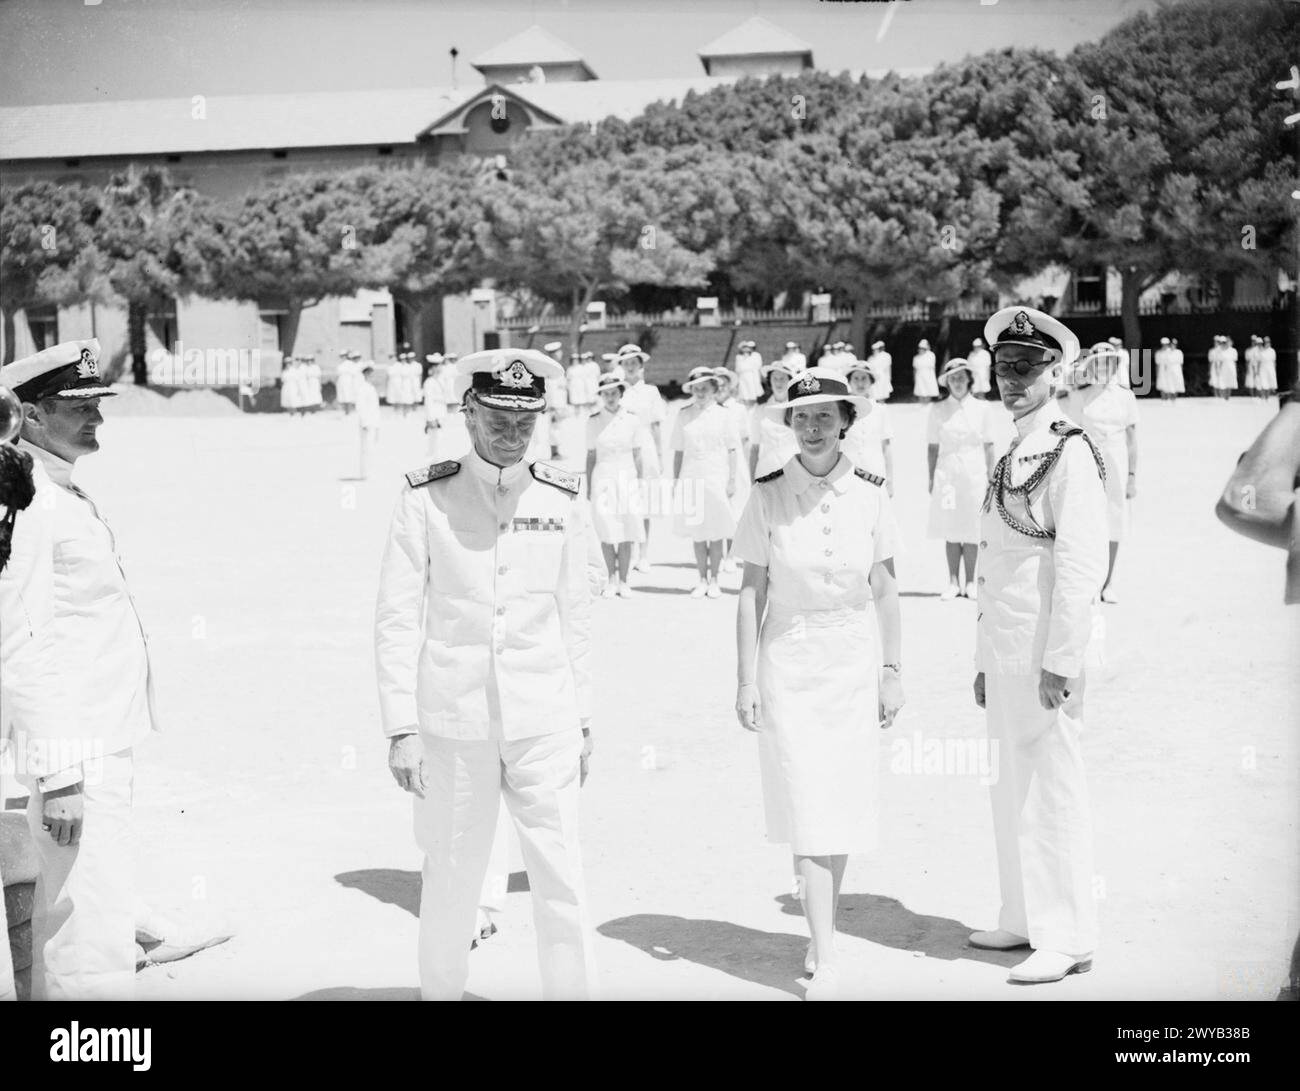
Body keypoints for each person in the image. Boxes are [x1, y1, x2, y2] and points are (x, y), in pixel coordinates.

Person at [375, 347, 601, 1001]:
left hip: (544, 717)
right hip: (454, 720)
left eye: (525, 418)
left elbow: (576, 618)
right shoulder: (427, 495)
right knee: (450, 876)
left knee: (561, 875)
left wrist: (582, 717)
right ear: (468, 411)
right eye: (499, 415)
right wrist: (401, 727)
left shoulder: (561, 498)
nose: (512, 430)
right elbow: (395, 618)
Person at [732, 365, 904, 1001]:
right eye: (801, 417)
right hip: (791, 659)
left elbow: (885, 589)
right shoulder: (768, 494)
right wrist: (745, 679)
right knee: (806, 801)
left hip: (854, 658)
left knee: (843, 802)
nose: (811, 428)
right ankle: (827, 958)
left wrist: (892, 671)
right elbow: (751, 592)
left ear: (846, 424)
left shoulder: (873, 492)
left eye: (824, 417)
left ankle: (820, 929)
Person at [0, 339, 160, 999]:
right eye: (76, 407)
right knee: (87, 935)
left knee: (97, 910)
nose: (95, 418)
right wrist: (60, 769)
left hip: (98, 736)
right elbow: (17, 640)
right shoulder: (29, 497)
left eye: (97, 403)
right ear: (31, 416)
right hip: (77, 748)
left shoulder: (54, 483)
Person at [970, 306, 1108, 986]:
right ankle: (1022, 915)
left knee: (1052, 783)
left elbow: (1082, 563)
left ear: (1056, 373)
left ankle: (1068, 933)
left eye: (1027, 368)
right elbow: (994, 561)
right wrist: (981, 658)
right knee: (1011, 783)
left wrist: (1062, 657)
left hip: (1045, 644)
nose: (1013, 380)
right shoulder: (1013, 450)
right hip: (1006, 641)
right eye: (1004, 367)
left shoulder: (1069, 448)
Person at [1063, 344, 1140, 603]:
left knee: (1114, 523)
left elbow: (1131, 441)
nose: (1105, 368)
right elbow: (1071, 436)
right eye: (1099, 363)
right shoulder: (1080, 396)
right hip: (1088, 466)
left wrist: (1131, 476)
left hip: (1116, 466)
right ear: (1092, 367)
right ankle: (1090, 583)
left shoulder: (1125, 396)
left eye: (1109, 362)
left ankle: (1107, 583)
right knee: (1087, 523)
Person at [927, 358, 996, 600]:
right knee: (951, 526)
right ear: (947, 382)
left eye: (961, 377)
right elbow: (933, 447)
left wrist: (991, 476)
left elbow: (988, 445)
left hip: (975, 474)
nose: (957, 382)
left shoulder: (982, 408)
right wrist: (931, 478)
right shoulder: (937, 409)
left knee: (973, 528)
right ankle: (953, 582)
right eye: (952, 378)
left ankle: (971, 582)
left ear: (969, 379)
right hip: (947, 475)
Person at [672, 366, 740, 598]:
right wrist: (676, 482)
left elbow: (732, 449)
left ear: (714, 389)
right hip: (692, 475)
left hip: (715, 475)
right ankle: (701, 578)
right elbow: (679, 452)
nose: (700, 392)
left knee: (717, 530)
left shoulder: (724, 414)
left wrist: (731, 481)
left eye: (705, 388)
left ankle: (714, 580)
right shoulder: (684, 414)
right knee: (698, 531)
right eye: (696, 388)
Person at [585, 373, 647, 597]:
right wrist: (589, 487)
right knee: (607, 528)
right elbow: (591, 455)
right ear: (601, 395)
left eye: (614, 393)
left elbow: (638, 454)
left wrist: (639, 483)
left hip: (627, 476)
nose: (610, 397)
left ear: (621, 394)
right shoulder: (593, 421)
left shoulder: (632, 419)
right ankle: (611, 578)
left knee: (628, 528)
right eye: (606, 393)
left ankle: (624, 580)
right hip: (603, 476)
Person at [618, 346, 666, 572]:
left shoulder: (651, 391)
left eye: (634, 363)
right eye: (626, 363)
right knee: (624, 500)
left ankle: (643, 554)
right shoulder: (616, 390)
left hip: (645, 446)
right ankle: (625, 554)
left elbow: (656, 424)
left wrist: (659, 454)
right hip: (622, 448)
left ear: (641, 366)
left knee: (645, 501)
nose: (630, 367)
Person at [714, 366, 751, 571]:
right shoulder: (710, 410)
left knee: (736, 511)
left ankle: (731, 554)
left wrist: (746, 469)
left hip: (736, 466)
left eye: (724, 384)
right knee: (719, 510)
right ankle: (718, 555)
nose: (720, 388)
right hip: (717, 464)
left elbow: (745, 440)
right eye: (716, 385)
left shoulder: (738, 409)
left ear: (730, 386)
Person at [840, 360, 894, 493]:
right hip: (847, 473)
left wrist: (890, 479)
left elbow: (886, 447)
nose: (860, 383)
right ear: (849, 382)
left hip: (875, 471)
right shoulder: (841, 409)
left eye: (864, 378)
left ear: (871, 382)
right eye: (856, 378)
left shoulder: (880, 410)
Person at [749, 359, 801, 482]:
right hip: (767, 470)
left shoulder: (799, 408)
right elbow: (755, 448)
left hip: (795, 470)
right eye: (775, 379)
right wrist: (752, 480)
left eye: (782, 378)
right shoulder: (760, 409)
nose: (779, 383)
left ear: (790, 381)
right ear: (769, 381)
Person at [356, 363, 382, 478]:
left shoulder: (370, 387)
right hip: (367, 422)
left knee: (372, 447)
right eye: (370, 375)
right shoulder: (362, 388)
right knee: (366, 448)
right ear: (365, 375)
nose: (372, 377)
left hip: (373, 421)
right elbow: (361, 407)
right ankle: (365, 473)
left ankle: (370, 471)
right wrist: (364, 422)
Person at [734, 340, 764, 405]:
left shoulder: (756, 355)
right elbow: (738, 368)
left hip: (752, 376)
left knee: (753, 392)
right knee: (744, 393)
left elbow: (758, 366)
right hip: (742, 377)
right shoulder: (739, 357)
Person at [1154, 337, 1183, 402]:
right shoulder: (1158, 352)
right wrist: (1157, 373)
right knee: (1162, 385)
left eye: (1166, 344)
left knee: (1170, 385)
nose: (1165, 345)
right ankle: (1164, 400)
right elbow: (1157, 364)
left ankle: (1171, 400)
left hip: (1170, 371)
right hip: (1162, 370)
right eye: (1163, 344)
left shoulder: (1171, 352)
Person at [1209, 334, 1237, 400]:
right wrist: (1218, 369)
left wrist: (1235, 371)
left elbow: (1234, 361)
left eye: (1224, 342)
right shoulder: (1219, 351)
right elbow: (1219, 361)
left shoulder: (1233, 350)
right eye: (1222, 342)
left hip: (1230, 368)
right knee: (1222, 383)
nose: (1223, 344)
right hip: (1223, 368)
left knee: (1229, 383)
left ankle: (1227, 398)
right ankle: (1221, 397)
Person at [335, 350, 359, 415]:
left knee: (348, 396)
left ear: (346, 356)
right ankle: (346, 412)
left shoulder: (350, 364)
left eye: (343, 356)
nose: (342, 357)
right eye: (341, 356)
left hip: (348, 381)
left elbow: (354, 373)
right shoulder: (340, 364)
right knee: (343, 397)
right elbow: (338, 374)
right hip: (341, 381)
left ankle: (348, 412)